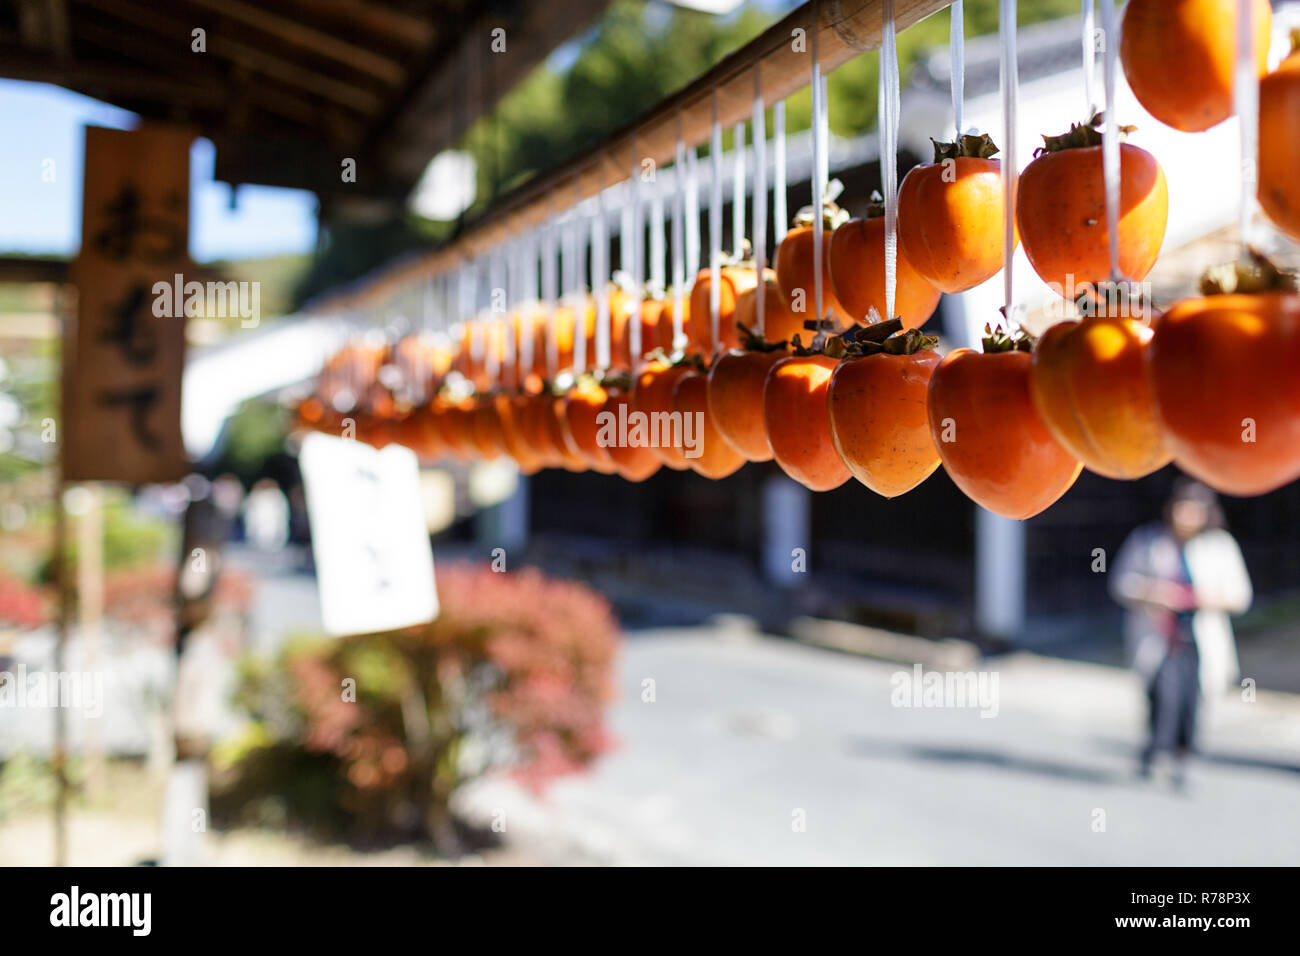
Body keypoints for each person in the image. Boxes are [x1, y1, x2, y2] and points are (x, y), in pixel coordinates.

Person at [1110, 479, 1252, 787]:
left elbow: (1240, 595)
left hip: (1198, 639)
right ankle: (1154, 751)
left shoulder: (1219, 547)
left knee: (1192, 699)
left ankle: (1183, 757)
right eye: (1180, 508)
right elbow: (1121, 582)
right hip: (1159, 636)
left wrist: (1200, 597)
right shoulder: (1148, 541)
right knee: (1162, 695)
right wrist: (1153, 593)